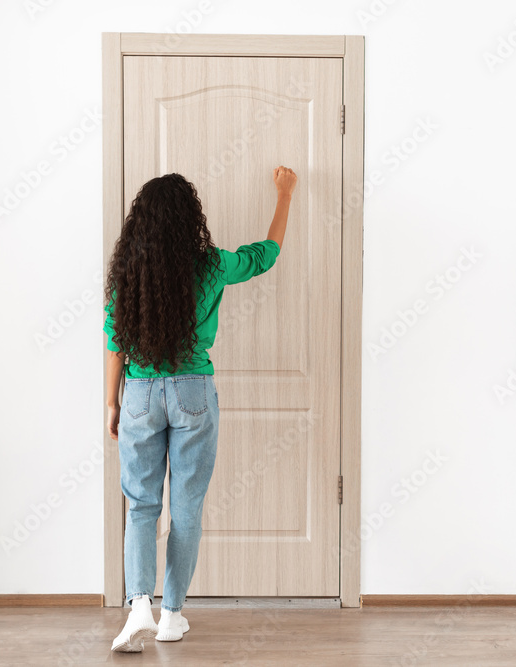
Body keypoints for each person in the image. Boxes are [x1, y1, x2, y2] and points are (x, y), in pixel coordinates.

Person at [105, 167, 297, 651]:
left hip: (141, 392)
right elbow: (265, 255)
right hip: (193, 392)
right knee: (186, 509)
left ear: (140, 221)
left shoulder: (129, 269)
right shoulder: (210, 264)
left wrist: (112, 401)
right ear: (189, 217)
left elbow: (113, 338)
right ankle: (171, 616)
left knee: (142, 506)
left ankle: (139, 609)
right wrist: (284, 194)